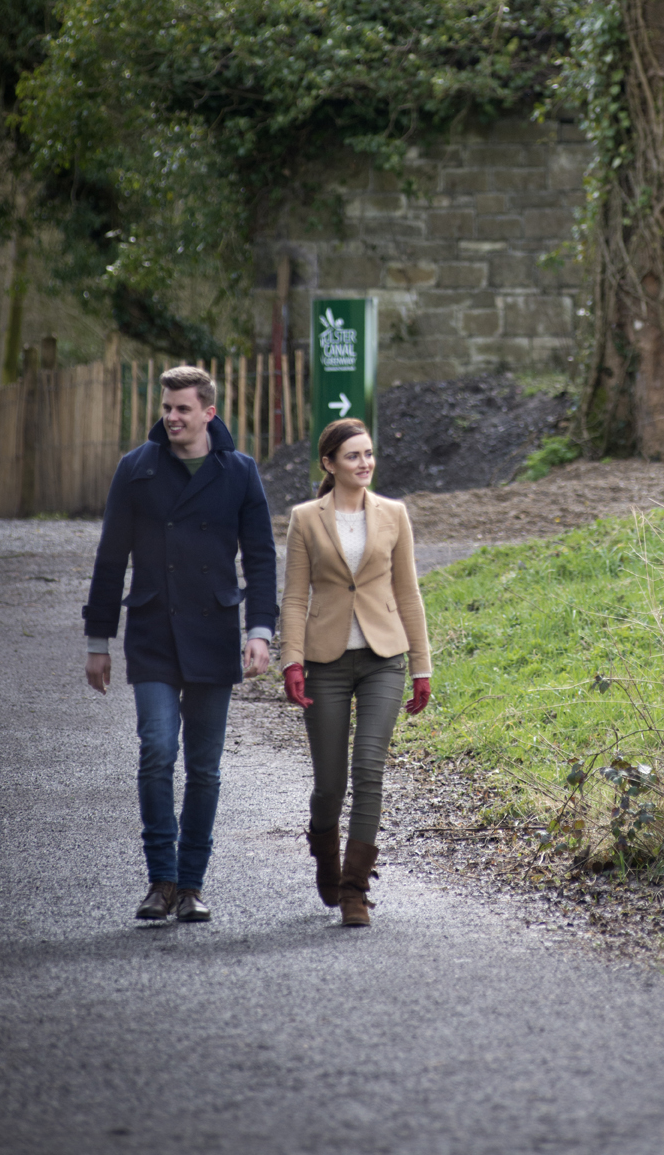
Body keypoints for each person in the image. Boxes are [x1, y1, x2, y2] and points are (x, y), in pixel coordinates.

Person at [83, 364, 277, 923]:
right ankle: (160, 880)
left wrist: (259, 631)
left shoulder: (239, 471)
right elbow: (110, 556)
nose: (171, 417)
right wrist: (98, 639)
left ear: (208, 413)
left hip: (214, 631)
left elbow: (260, 557)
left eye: (182, 408)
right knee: (157, 751)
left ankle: (191, 884)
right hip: (153, 631)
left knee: (205, 767)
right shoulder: (137, 469)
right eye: (166, 407)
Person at [281, 417, 431, 928]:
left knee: (369, 769)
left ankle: (354, 890)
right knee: (330, 784)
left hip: (383, 658)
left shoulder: (394, 514)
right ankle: (325, 853)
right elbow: (294, 596)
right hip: (324, 662)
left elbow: (408, 592)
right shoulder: (305, 519)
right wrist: (291, 660)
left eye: (368, 454)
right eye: (353, 456)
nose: (364, 463)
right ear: (329, 463)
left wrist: (421, 666)